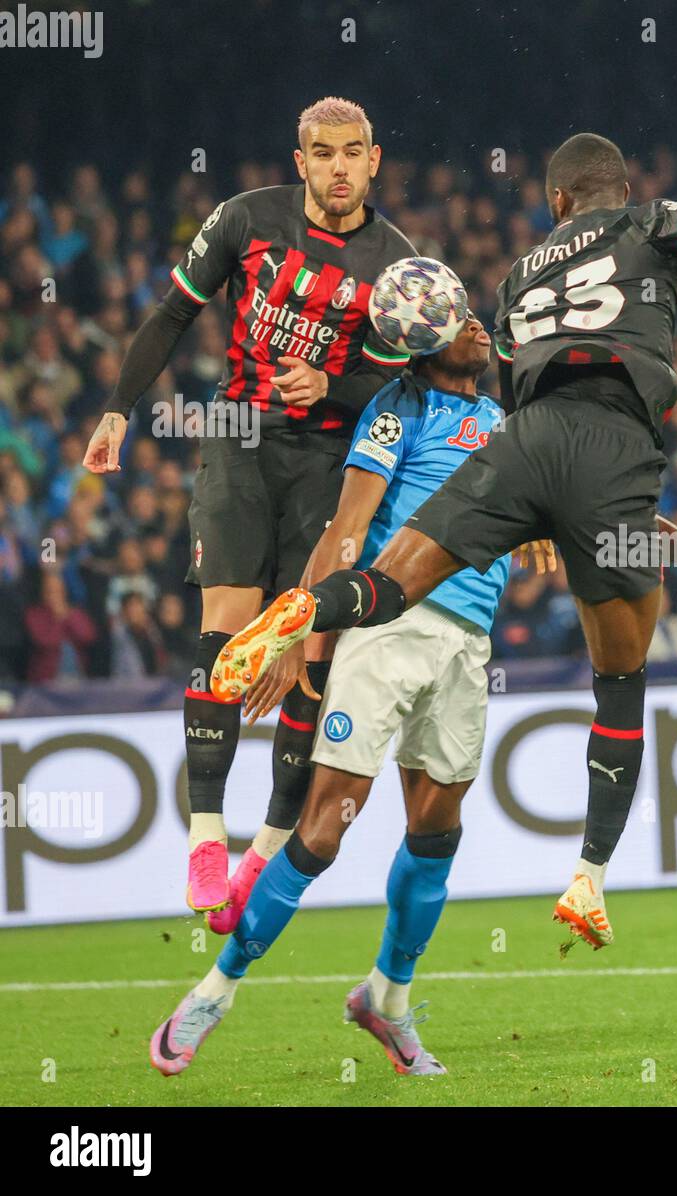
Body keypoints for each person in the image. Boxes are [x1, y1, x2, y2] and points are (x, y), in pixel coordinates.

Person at [211, 95, 677, 951]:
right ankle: (588, 876)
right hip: (612, 444)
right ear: (614, 190)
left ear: (555, 202)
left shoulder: (515, 280)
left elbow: (510, 402)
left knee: (385, 584)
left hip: (527, 442)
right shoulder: (647, 226)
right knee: (619, 683)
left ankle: (306, 608)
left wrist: (539, 506)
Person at [150, 316, 553, 1076]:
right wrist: (311, 630)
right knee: (324, 831)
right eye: (458, 323)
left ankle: (388, 1001)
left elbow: (571, 496)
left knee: (437, 836)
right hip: (389, 628)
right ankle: (214, 991)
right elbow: (348, 526)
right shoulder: (399, 408)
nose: (477, 327)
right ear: (423, 344)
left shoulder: (504, 422)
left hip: (469, 647)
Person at [81, 97, 416, 923]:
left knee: (307, 652)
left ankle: (261, 857)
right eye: (322, 152)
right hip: (238, 436)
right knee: (228, 631)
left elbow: (394, 383)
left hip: (328, 465)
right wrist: (120, 408)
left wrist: (332, 385)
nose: (339, 167)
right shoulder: (244, 219)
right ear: (298, 160)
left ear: (375, 161)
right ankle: (205, 838)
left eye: (353, 153)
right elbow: (171, 316)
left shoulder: (395, 263)